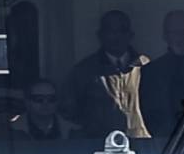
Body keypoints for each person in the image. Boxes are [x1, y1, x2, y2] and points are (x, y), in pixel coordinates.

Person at [64, 9, 151, 138]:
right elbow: (69, 111)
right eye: (110, 31)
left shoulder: (146, 66)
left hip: (142, 143)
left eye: (122, 30)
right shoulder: (84, 70)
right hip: (100, 146)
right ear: (100, 35)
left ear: (130, 35)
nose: (116, 36)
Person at [10, 78, 78, 141]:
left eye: (51, 99)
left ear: (57, 102)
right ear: (27, 102)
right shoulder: (10, 132)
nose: (45, 103)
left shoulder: (73, 132)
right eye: (39, 99)